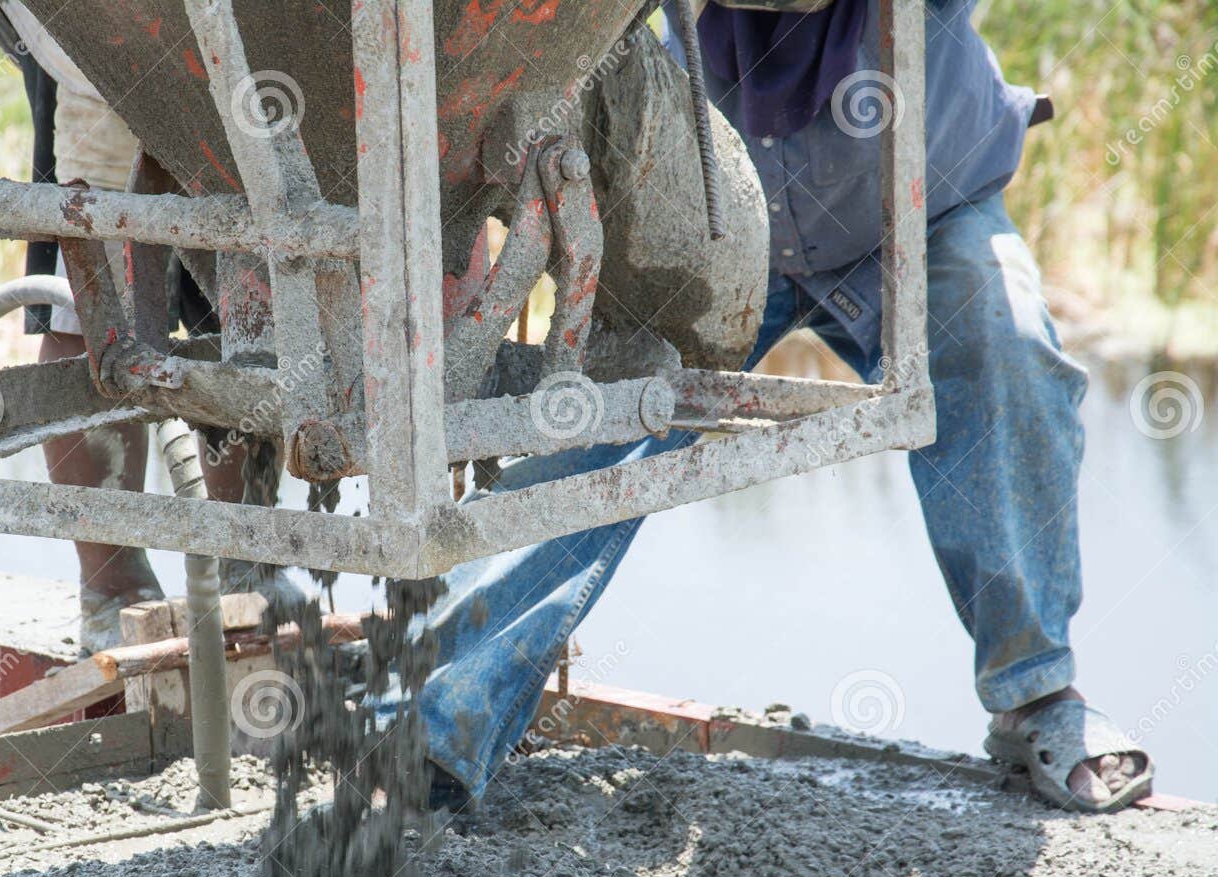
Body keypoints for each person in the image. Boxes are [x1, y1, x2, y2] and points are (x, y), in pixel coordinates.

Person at [412, 0, 1153, 815]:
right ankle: (441, 720)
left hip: (924, 204)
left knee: (1002, 343)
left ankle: (1037, 693)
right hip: (729, 226)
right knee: (604, 408)